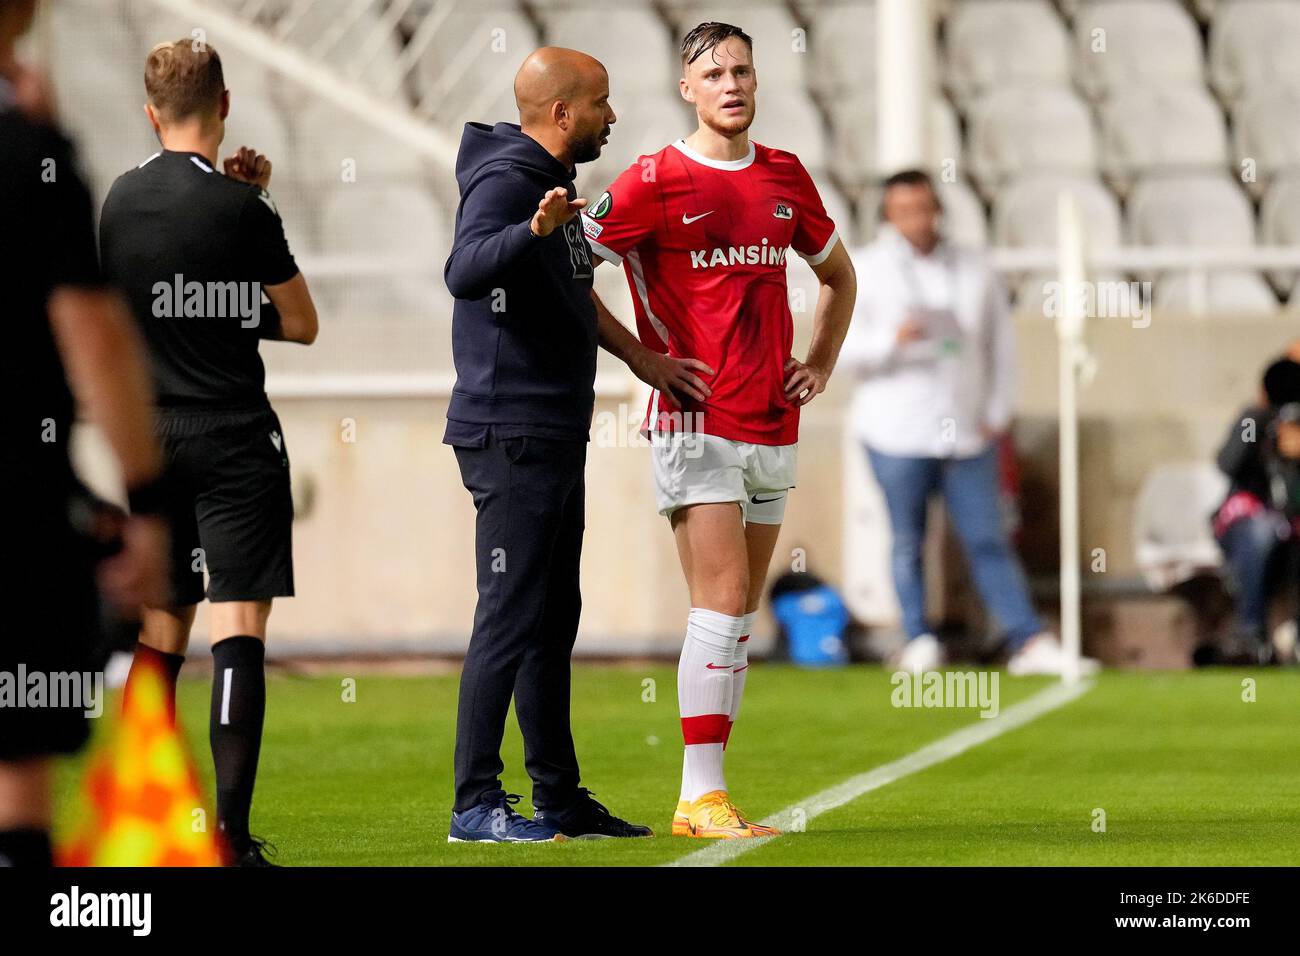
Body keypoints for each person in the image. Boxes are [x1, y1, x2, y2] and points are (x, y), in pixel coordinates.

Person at [580, 22, 857, 838]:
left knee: (740, 616)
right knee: (723, 599)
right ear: (687, 89)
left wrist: (821, 362)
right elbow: (567, 264)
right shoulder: (652, 179)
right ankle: (698, 794)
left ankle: (710, 792)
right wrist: (638, 357)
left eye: (742, 70)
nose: (731, 83)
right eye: (713, 72)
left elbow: (839, 274)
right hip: (694, 418)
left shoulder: (784, 176)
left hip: (773, 418)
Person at [99, 39, 319, 866]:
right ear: (224, 104)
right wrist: (249, 231)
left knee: (160, 631)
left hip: (152, 441)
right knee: (238, 626)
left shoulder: (118, 200)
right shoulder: (242, 209)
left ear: (150, 113)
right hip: (233, 437)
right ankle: (228, 835)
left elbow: (128, 319)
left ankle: (139, 816)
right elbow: (300, 323)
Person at [443, 47, 663, 842]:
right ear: (562, 114)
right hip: (512, 430)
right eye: (602, 103)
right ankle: (474, 804)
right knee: (509, 613)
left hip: (548, 429)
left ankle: (559, 797)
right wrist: (529, 229)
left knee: (548, 615)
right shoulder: (511, 180)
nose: (614, 116)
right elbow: (464, 269)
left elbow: (575, 292)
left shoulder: (552, 186)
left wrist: (643, 356)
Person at [1, 0, 168, 867]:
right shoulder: (29, 157)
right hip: (15, 502)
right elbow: (94, 336)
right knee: (16, 769)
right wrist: (143, 500)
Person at [840, 169, 1094, 677]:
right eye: (903, 209)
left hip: (966, 430)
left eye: (924, 207)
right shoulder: (865, 270)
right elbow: (841, 353)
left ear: (938, 209)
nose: (916, 218)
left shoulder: (976, 269)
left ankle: (1026, 640)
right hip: (895, 430)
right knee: (908, 539)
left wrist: (997, 416)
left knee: (988, 537)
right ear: (888, 215)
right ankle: (917, 639)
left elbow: (1001, 349)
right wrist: (894, 339)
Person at [1211, 357, 1300, 664]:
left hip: (1289, 522)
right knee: (1260, 531)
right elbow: (1227, 463)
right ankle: (1250, 634)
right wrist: (1261, 428)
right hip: (1246, 522)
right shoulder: (1254, 419)